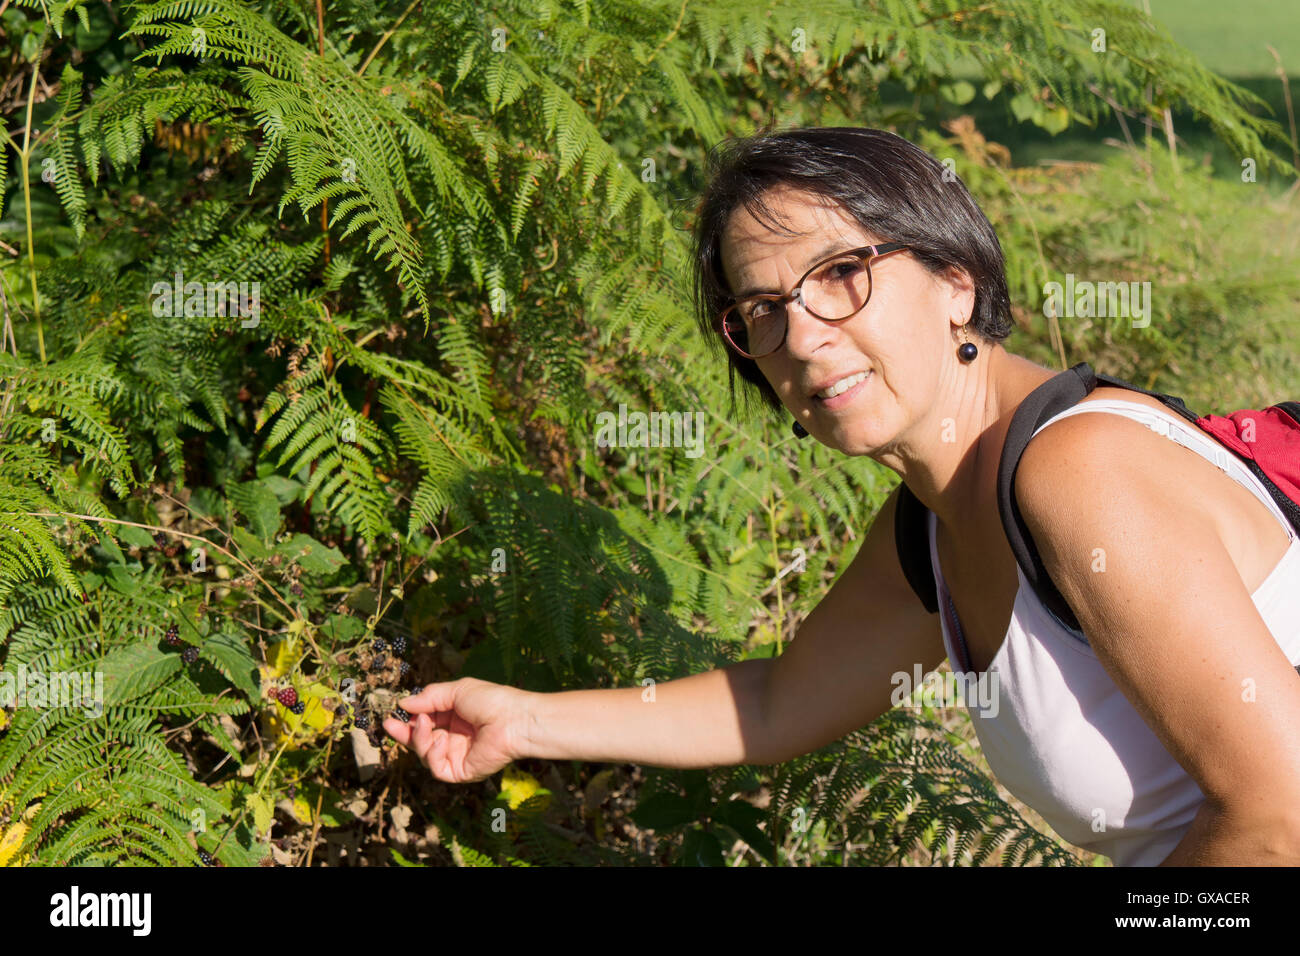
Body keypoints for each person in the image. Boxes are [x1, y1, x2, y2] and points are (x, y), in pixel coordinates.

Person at [384, 127, 1300, 866]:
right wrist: (525, 720)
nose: (805, 337)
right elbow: (781, 702)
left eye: (840, 275)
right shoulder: (930, 531)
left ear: (955, 281)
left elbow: (1281, 817)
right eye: (763, 311)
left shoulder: (1079, 470)